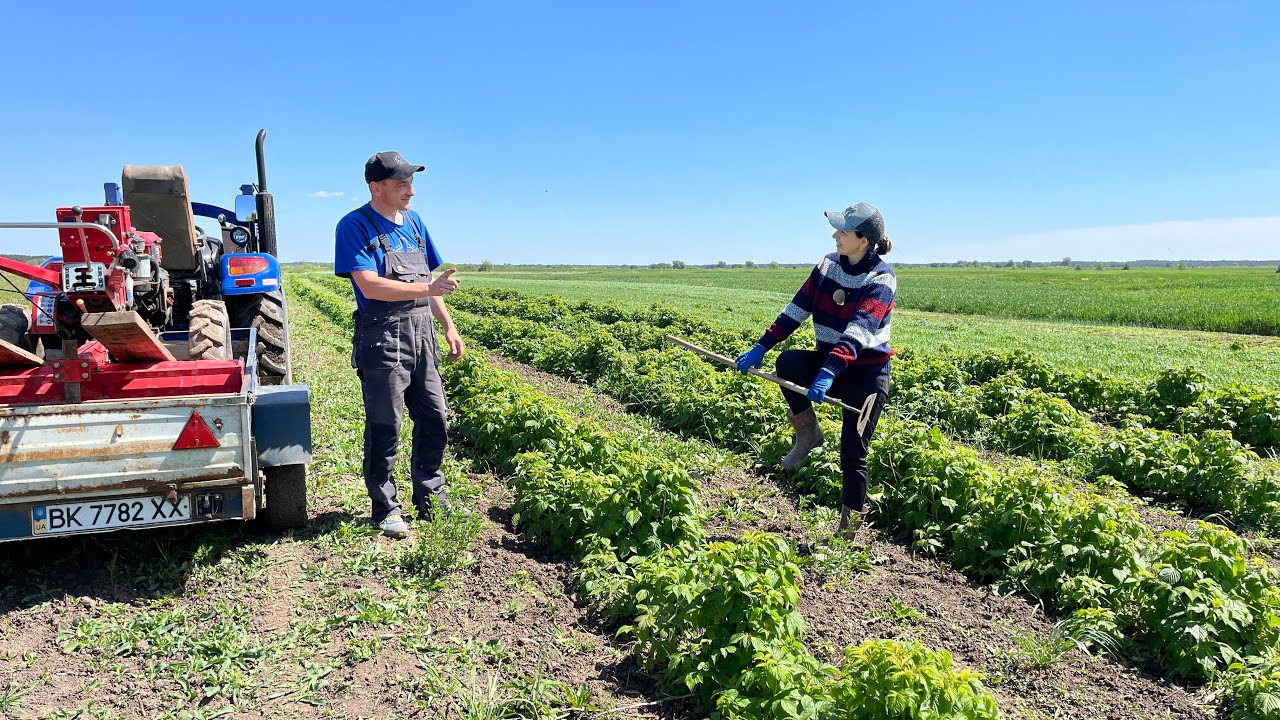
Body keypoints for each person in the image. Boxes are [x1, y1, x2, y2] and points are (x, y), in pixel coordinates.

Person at [735, 202, 895, 541]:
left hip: (866, 373)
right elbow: (797, 308)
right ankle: (808, 433)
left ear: (863, 240)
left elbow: (860, 330)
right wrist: (763, 345)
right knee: (789, 362)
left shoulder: (881, 278)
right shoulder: (827, 266)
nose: (835, 235)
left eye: (843, 231)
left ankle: (847, 534)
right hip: (831, 364)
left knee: (853, 453)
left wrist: (829, 372)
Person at [334, 151, 465, 539]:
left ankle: (430, 495)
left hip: (422, 334)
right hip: (383, 336)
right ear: (377, 187)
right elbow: (370, 285)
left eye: (412, 182)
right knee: (385, 424)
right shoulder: (355, 226)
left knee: (434, 416)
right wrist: (428, 288)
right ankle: (386, 508)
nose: (411, 190)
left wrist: (449, 326)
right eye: (402, 183)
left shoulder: (415, 222)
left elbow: (430, 280)